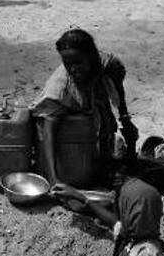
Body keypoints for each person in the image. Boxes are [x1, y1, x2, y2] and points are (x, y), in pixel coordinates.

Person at [33, 28, 139, 187]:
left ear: (92, 56)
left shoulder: (108, 65)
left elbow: (117, 86)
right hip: (66, 141)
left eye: (78, 62)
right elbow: (48, 131)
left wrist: (125, 118)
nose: (73, 69)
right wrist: (54, 179)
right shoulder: (60, 88)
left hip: (94, 115)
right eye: (68, 64)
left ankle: (107, 162)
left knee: (110, 133)